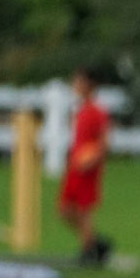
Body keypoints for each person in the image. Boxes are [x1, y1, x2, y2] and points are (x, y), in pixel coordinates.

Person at [57, 66, 112, 266]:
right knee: (65, 210)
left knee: (83, 210)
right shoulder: (80, 110)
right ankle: (96, 243)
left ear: (89, 84)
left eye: (78, 81)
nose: (75, 85)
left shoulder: (98, 111)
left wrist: (93, 158)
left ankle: (89, 250)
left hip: (87, 168)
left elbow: (104, 141)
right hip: (75, 166)